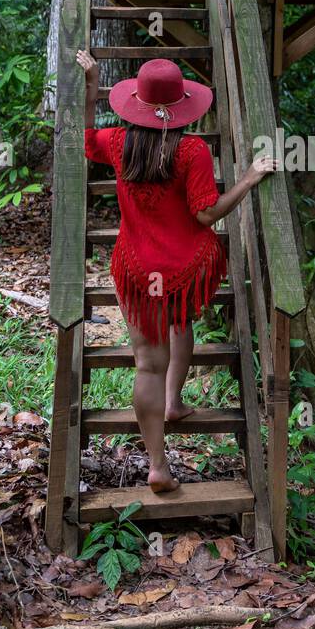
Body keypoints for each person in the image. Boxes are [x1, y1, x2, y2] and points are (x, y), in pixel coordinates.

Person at [77, 49, 277, 493]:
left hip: (135, 268)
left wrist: (93, 86)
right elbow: (206, 216)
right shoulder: (191, 150)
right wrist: (247, 178)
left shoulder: (118, 143)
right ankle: (174, 401)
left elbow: (85, 139)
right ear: (182, 106)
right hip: (183, 269)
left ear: (136, 103)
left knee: (148, 364)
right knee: (180, 317)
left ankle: (157, 464)